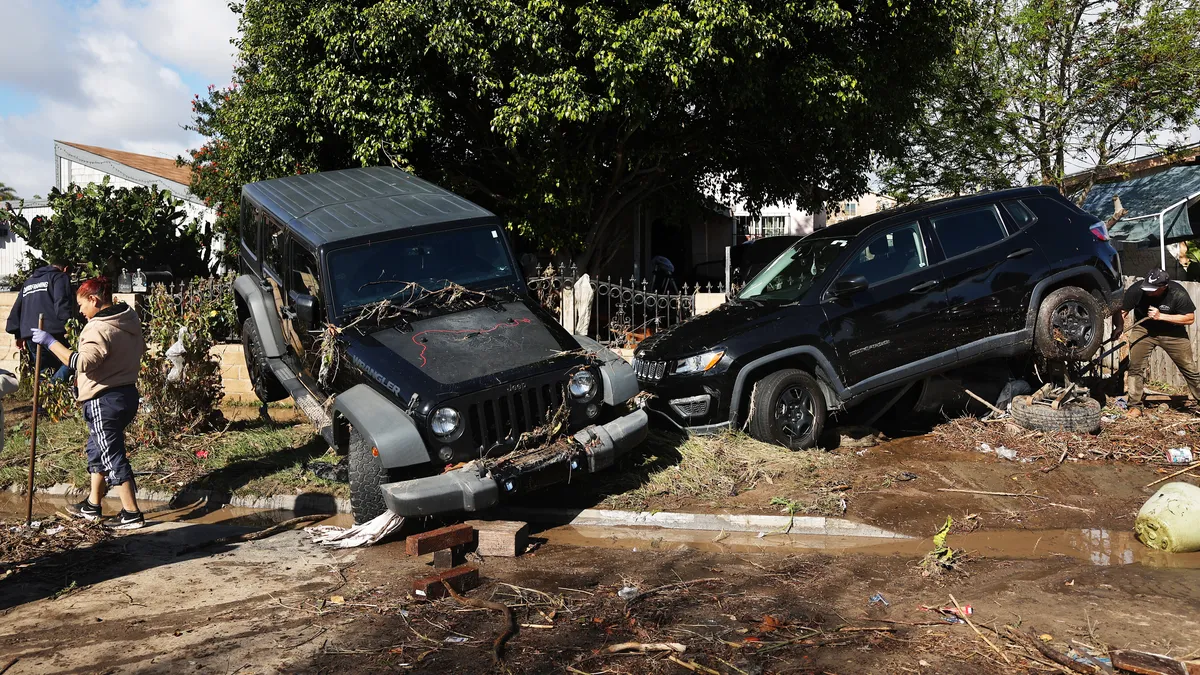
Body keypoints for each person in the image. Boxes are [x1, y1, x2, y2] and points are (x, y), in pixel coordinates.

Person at [30, 277, 147, 529]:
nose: (81, 311)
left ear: (94, 300)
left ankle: (131, 513)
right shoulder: (128, 319)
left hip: (104, 400)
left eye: (82, 304)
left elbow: (83, 362)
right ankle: (93, 505)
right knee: (97, 449)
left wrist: (51, 343)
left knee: (112, 455)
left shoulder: (97, 327)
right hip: (126, 394)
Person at [1113, 268, 1200, 417]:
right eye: (1147, 287)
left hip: (1173, 333)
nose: (1148, 291)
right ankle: (1135, 406)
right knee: (1135, 368)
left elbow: (1189, 318)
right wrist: (1119, 327)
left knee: (1190, 369)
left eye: (1152, 289)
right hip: (1144, 330)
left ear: (1163, 287)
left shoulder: (1177, 293)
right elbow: (1122, 311)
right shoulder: (1137, 290)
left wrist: (1162, 316)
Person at [6, 258, 74, 380]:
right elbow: (62, 303)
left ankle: (44, 395)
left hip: (30, 335)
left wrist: (18, 334)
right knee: (71, 361)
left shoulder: (29, 282)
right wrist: (70, 327)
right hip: (54, 333)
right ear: (66, 269)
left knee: (44, 371)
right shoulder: (59, 277)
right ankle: (52, 388)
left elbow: (17, 308)